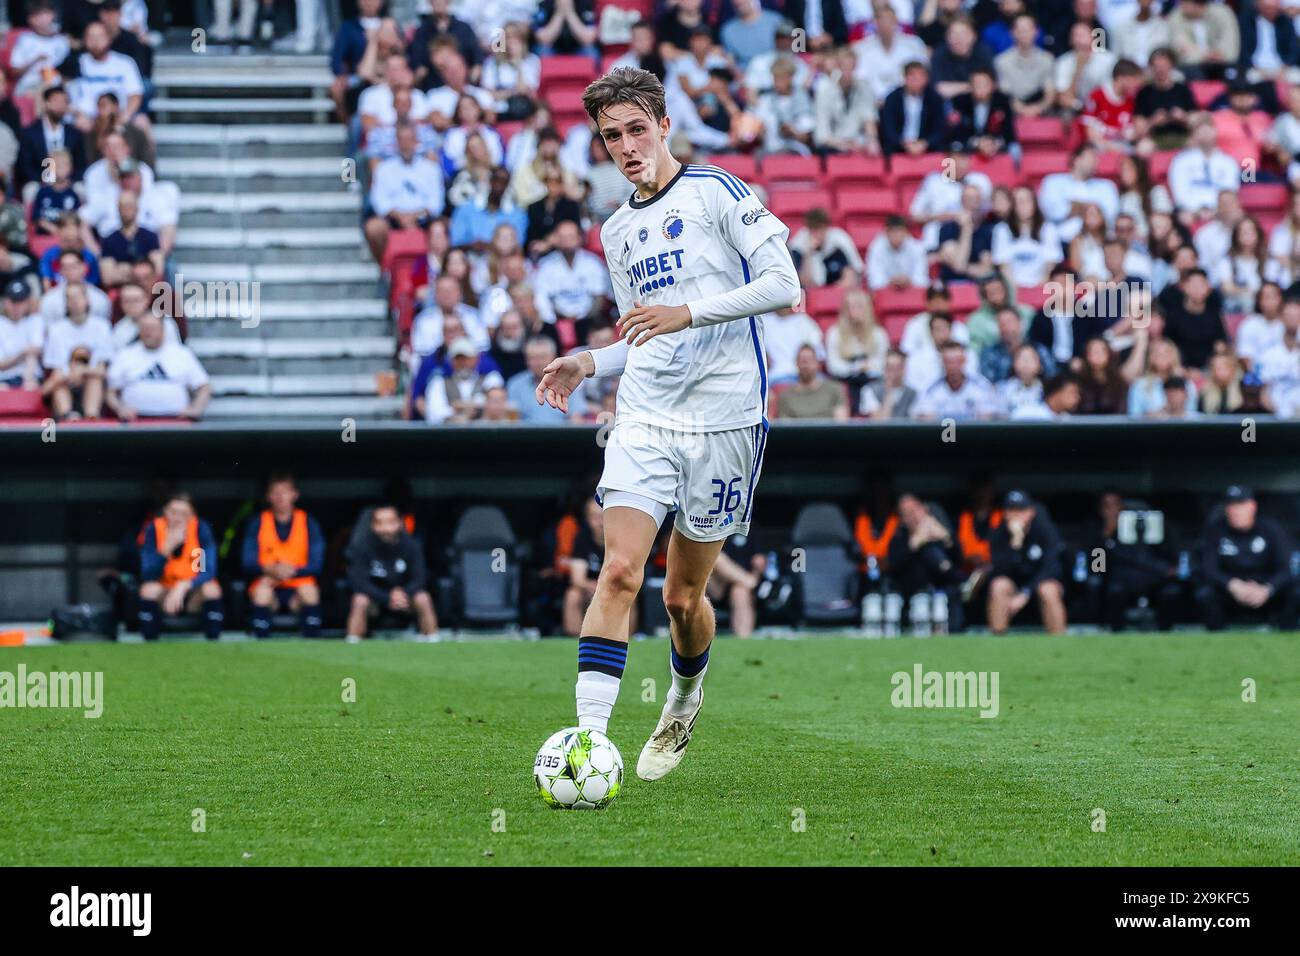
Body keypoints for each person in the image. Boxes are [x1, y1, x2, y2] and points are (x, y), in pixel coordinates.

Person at [532, 67, 799, 782]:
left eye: (636, 130)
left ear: (665, 126)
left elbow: (786, 285)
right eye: (610, 136)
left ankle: (684, 696)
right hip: (646, 415)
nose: (625, 146)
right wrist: (590, 360)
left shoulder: (718, 192)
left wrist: (689, 311)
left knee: (682, 597)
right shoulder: (616, 230)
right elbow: (645, 334)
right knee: (619, 570)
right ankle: (589, 742)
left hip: (725, 419)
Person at [1196, 485, 1300, 631]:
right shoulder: (1215, 530)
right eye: (1231, 506)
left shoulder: (1270, 529)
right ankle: (1216, 639)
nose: (1236, 511)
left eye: (1241, 505)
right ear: (1226, 509)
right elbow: (1208, 569)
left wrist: (1267, 589)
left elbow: (1285, 569)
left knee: (1295, 592)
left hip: (1265, 590)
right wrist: (1233, 585)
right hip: (1230, 590)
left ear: (1252, 506)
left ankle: (1286, 636)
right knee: (1205, 594)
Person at [241, 473, 325, 639]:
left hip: (298, 583)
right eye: (275, 492)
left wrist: (289, 571)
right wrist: (272, 570)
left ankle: (313, 641)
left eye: (285, 491)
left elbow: (317, 564)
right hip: (268, 582)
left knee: (310, 591)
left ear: (295, 494)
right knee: (261, 592)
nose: (280, 497)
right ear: (269, 496)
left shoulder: (308, 522)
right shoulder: (258, 522)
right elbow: (247, 561)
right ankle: (262, 642)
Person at [346, 503, 439, 642]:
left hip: (405, 599)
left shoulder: (412, 545)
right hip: (375, 599)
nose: (385, 528)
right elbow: (359, 582)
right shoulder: (362, 546)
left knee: (423, 598)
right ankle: (352, 641)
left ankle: (433, 639)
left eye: (390, 522)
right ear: (372, 525)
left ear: (399, 523)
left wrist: (404, 594)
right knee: (359, 600)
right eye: (379, 523)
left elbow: (420, 578)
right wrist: (387, 597)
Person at [137, 492, 224, 641]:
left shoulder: (199, 529)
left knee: (212, 588)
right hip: (165, 592)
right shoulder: (154, 529)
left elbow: (207, 570)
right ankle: (150, 641)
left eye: (184, 513)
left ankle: (213, 640)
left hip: (191, 592)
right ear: (165, 512)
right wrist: (165, 550)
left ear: (192, 515)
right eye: (173, 512)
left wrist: (184, 585)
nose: (178, 518)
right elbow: (148, 574)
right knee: (147, 589)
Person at [105, 312, 211, 421]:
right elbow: (111, 392)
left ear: (163, 330)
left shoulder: (182, 354)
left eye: (152, 328)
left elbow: (204, 387)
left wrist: (196, 409)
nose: (148, 332)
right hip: (134, 423)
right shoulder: (125, 354)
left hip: (177, 421)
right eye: (145, 328)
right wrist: (120, 409)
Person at [987, 489, 1067, 634]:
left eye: (1021, 510)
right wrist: (1016, 542)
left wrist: (1026, 592)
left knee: (1048, 589)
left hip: (1039, 582)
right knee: (998, 585)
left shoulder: (1044, 530)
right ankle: (998, 639)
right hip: (1014, 585)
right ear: (1004, 513)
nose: (1016, 514)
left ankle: (1059, 640)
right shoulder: (998, 534)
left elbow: (1052, 567)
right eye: (1011, 510)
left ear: (1031, 512)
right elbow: (999, 570)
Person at [775, 343, 848, 418]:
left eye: (810, 360)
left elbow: (841, 424)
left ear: (817, 364)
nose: (806, 364)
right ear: (796, 364)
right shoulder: (786, 396)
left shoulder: (834, 390)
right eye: (802, 360)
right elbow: (785, 426)